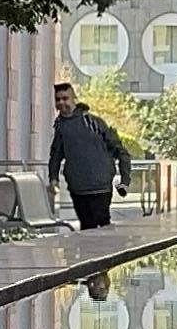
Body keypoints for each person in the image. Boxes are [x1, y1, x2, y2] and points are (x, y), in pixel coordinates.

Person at [46, 77, 129, 237]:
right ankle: (92, 259)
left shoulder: (94, 122)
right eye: (58, 99)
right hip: (78, 188)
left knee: (102, 225)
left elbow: (121, 151)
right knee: (87, 228)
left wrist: (124, 181)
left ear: (74, 99)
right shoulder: (61, 127)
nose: (62, 103)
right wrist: (53, 178)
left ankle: (105, 258)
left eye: (65, 98)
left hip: (100, 185)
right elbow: (55, 155)